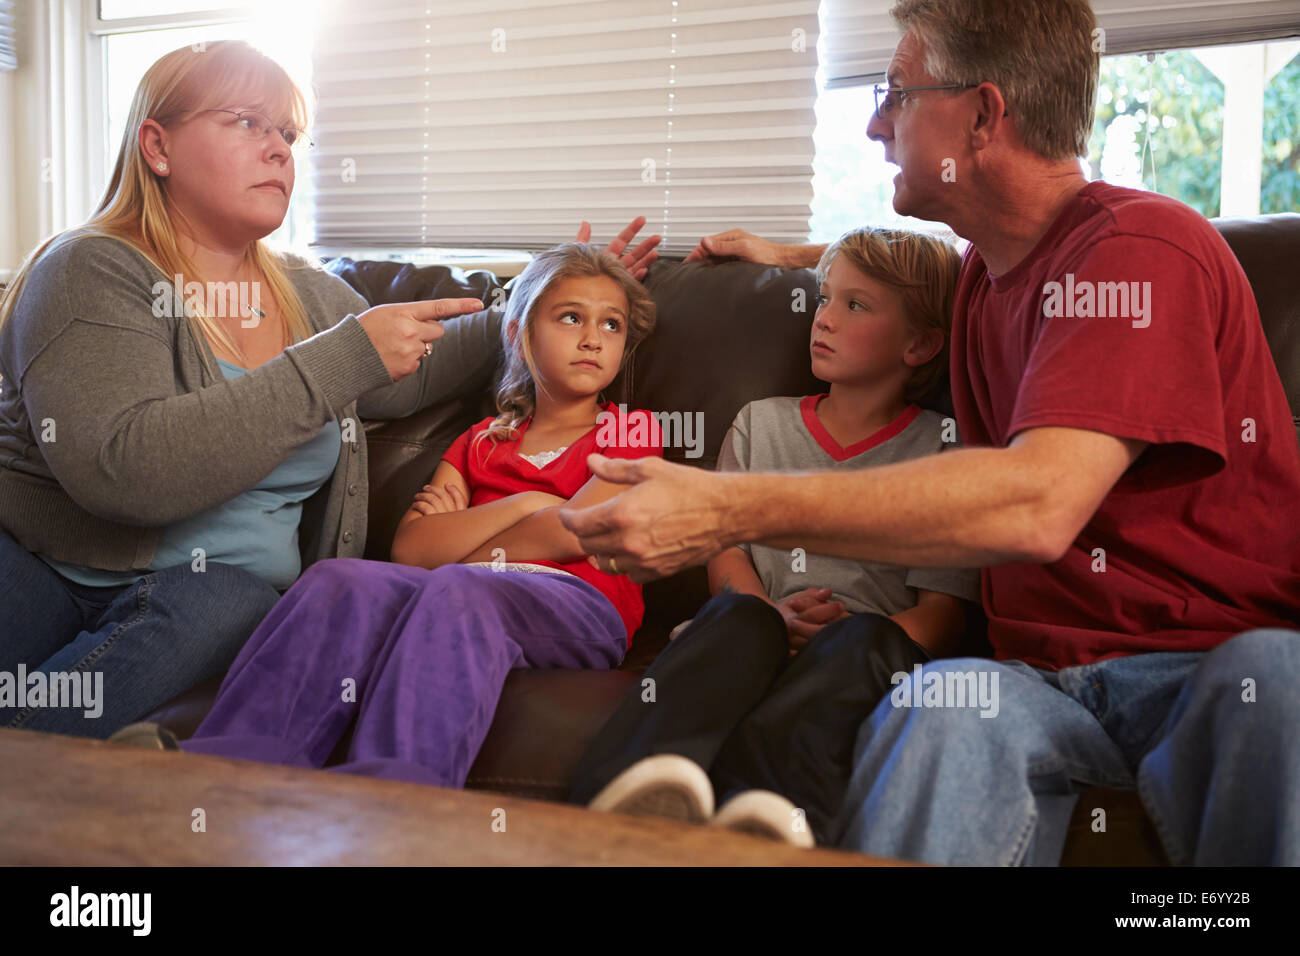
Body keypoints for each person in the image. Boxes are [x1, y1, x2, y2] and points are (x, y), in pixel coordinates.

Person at [556, 0, 1300, 865]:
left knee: (1281, 689)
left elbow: (1040, 501)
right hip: (1034, 683)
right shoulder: (983, 274)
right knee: (941, 707)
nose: (874, 124)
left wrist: (725, 507)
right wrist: (789, 256)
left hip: (1203, 670)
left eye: (895, 93)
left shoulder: (1141, 251)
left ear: (982, 115)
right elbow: (893, 271)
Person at [0, 40, 658, 738]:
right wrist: (340, 359)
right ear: (157, 146)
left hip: (212, 596)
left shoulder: (307, 292)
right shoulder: (89, 269)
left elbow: (414, 367)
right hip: (43, 565)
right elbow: (122, 473)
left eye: (287, 133)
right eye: (248, 123)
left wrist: (550, 300)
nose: (280, 149)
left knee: (230, 599)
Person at [176, 243, 663, 787]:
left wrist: (460, 548)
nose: (593, 338)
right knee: (338, 579)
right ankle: (224, 771)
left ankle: (396, 797)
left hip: (580, 603)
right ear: (519, 336)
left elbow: (579, 530)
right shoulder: (480, 440)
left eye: (612, 325)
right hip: (460, 588)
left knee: (456, 588)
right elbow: (411, 551)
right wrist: (529, 504)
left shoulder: (631, 429)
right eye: (571, 318)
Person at [565, 227, 980, 847]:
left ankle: (767, 814)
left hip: (864, 651)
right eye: (824, 299)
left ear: (920, 343)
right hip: (757, 625)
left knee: (861, 641)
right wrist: (769, 614)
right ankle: (613, 803)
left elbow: (942, 615)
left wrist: (833, 640)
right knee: (737, 621)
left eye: (855, 305)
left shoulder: (946, 448)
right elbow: (724, 547)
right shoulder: (763, 423)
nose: (825, 320)